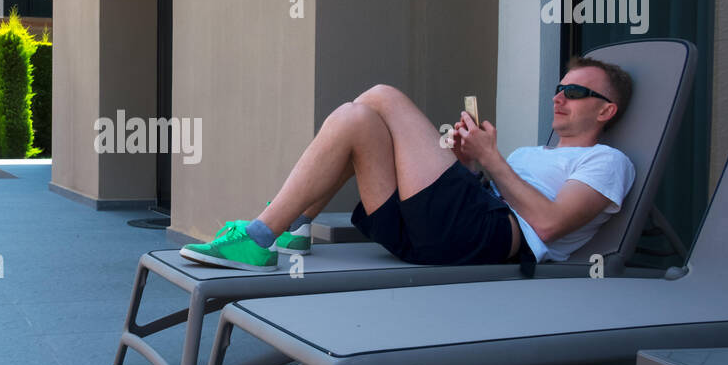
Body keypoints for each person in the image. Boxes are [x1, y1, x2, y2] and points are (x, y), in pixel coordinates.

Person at [180, 56, 636, 273]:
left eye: (576, 92)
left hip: (490, 239)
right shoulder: (532, 155)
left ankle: (261, 236)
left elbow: (552, 225)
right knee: (355, 118)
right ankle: (296, 225)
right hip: (441, 230)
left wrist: (491, 160)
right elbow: (491, 192)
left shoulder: (608, 162)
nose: (560, 96)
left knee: (381, 95)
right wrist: (470, 165)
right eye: (560, 88)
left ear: (606, 110)